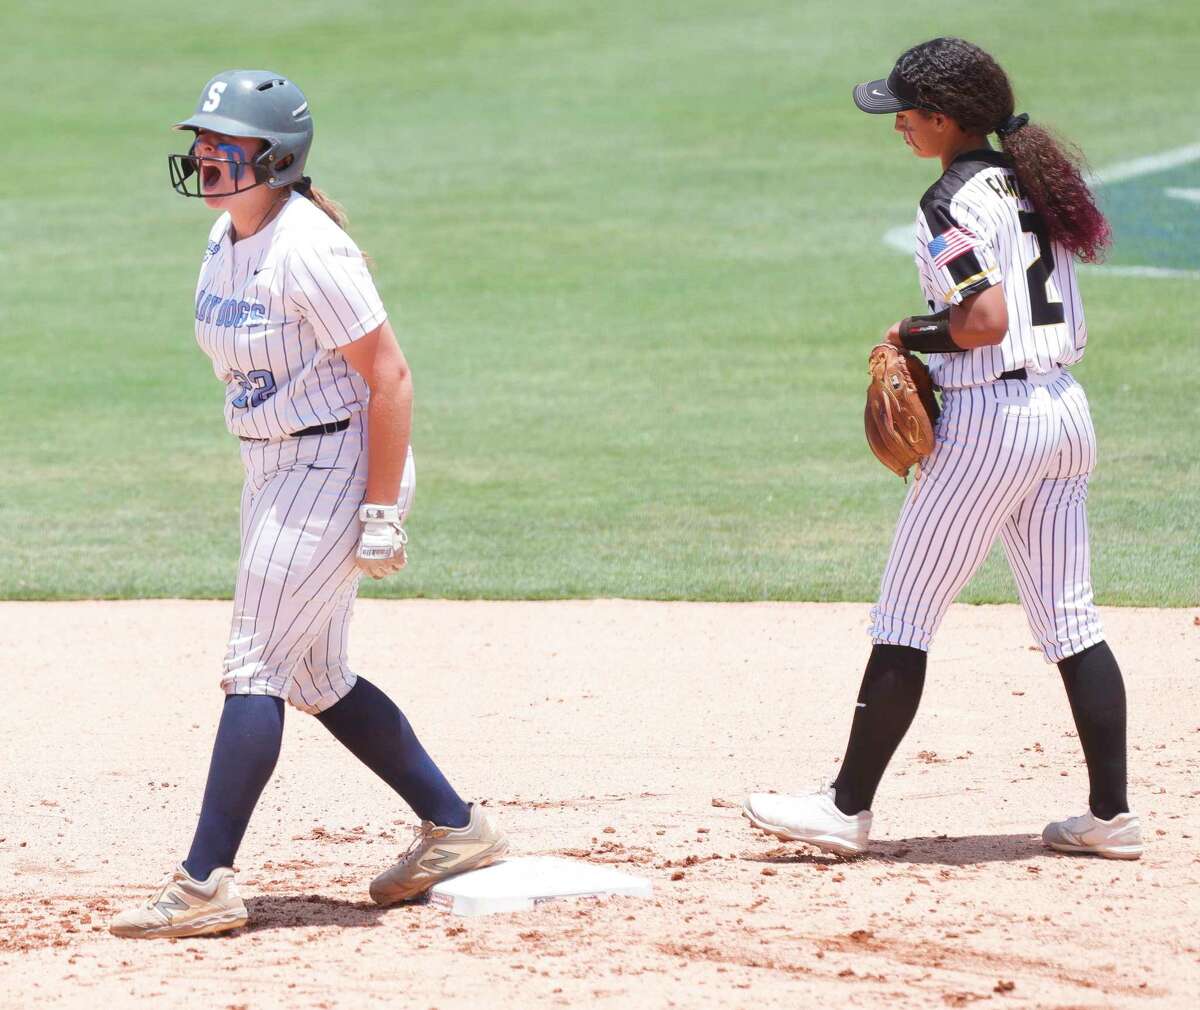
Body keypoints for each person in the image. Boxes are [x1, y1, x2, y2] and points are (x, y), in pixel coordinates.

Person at [111, 70, 508, 939]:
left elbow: (390, 376)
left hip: (335, 466)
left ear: (276, 158)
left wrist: (380, 510)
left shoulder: (308, 250)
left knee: (255, 665)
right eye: (201, 142)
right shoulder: (226, 235)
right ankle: (455, 828)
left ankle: (204, 883)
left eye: (224, 144)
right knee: (316, 675)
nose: (204, 155)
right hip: (275, 468)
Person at [744, 38, 1140, 860]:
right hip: (1065, 414)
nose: (898, 125)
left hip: (992, 426)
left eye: (906, 114)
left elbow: (983, 323)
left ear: (944, 118)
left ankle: (845, 808)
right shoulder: (1032, 179)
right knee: (1071, 619)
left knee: (905, 616)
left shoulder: (948, 200)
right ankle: (1111, 816)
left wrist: (908, 332)